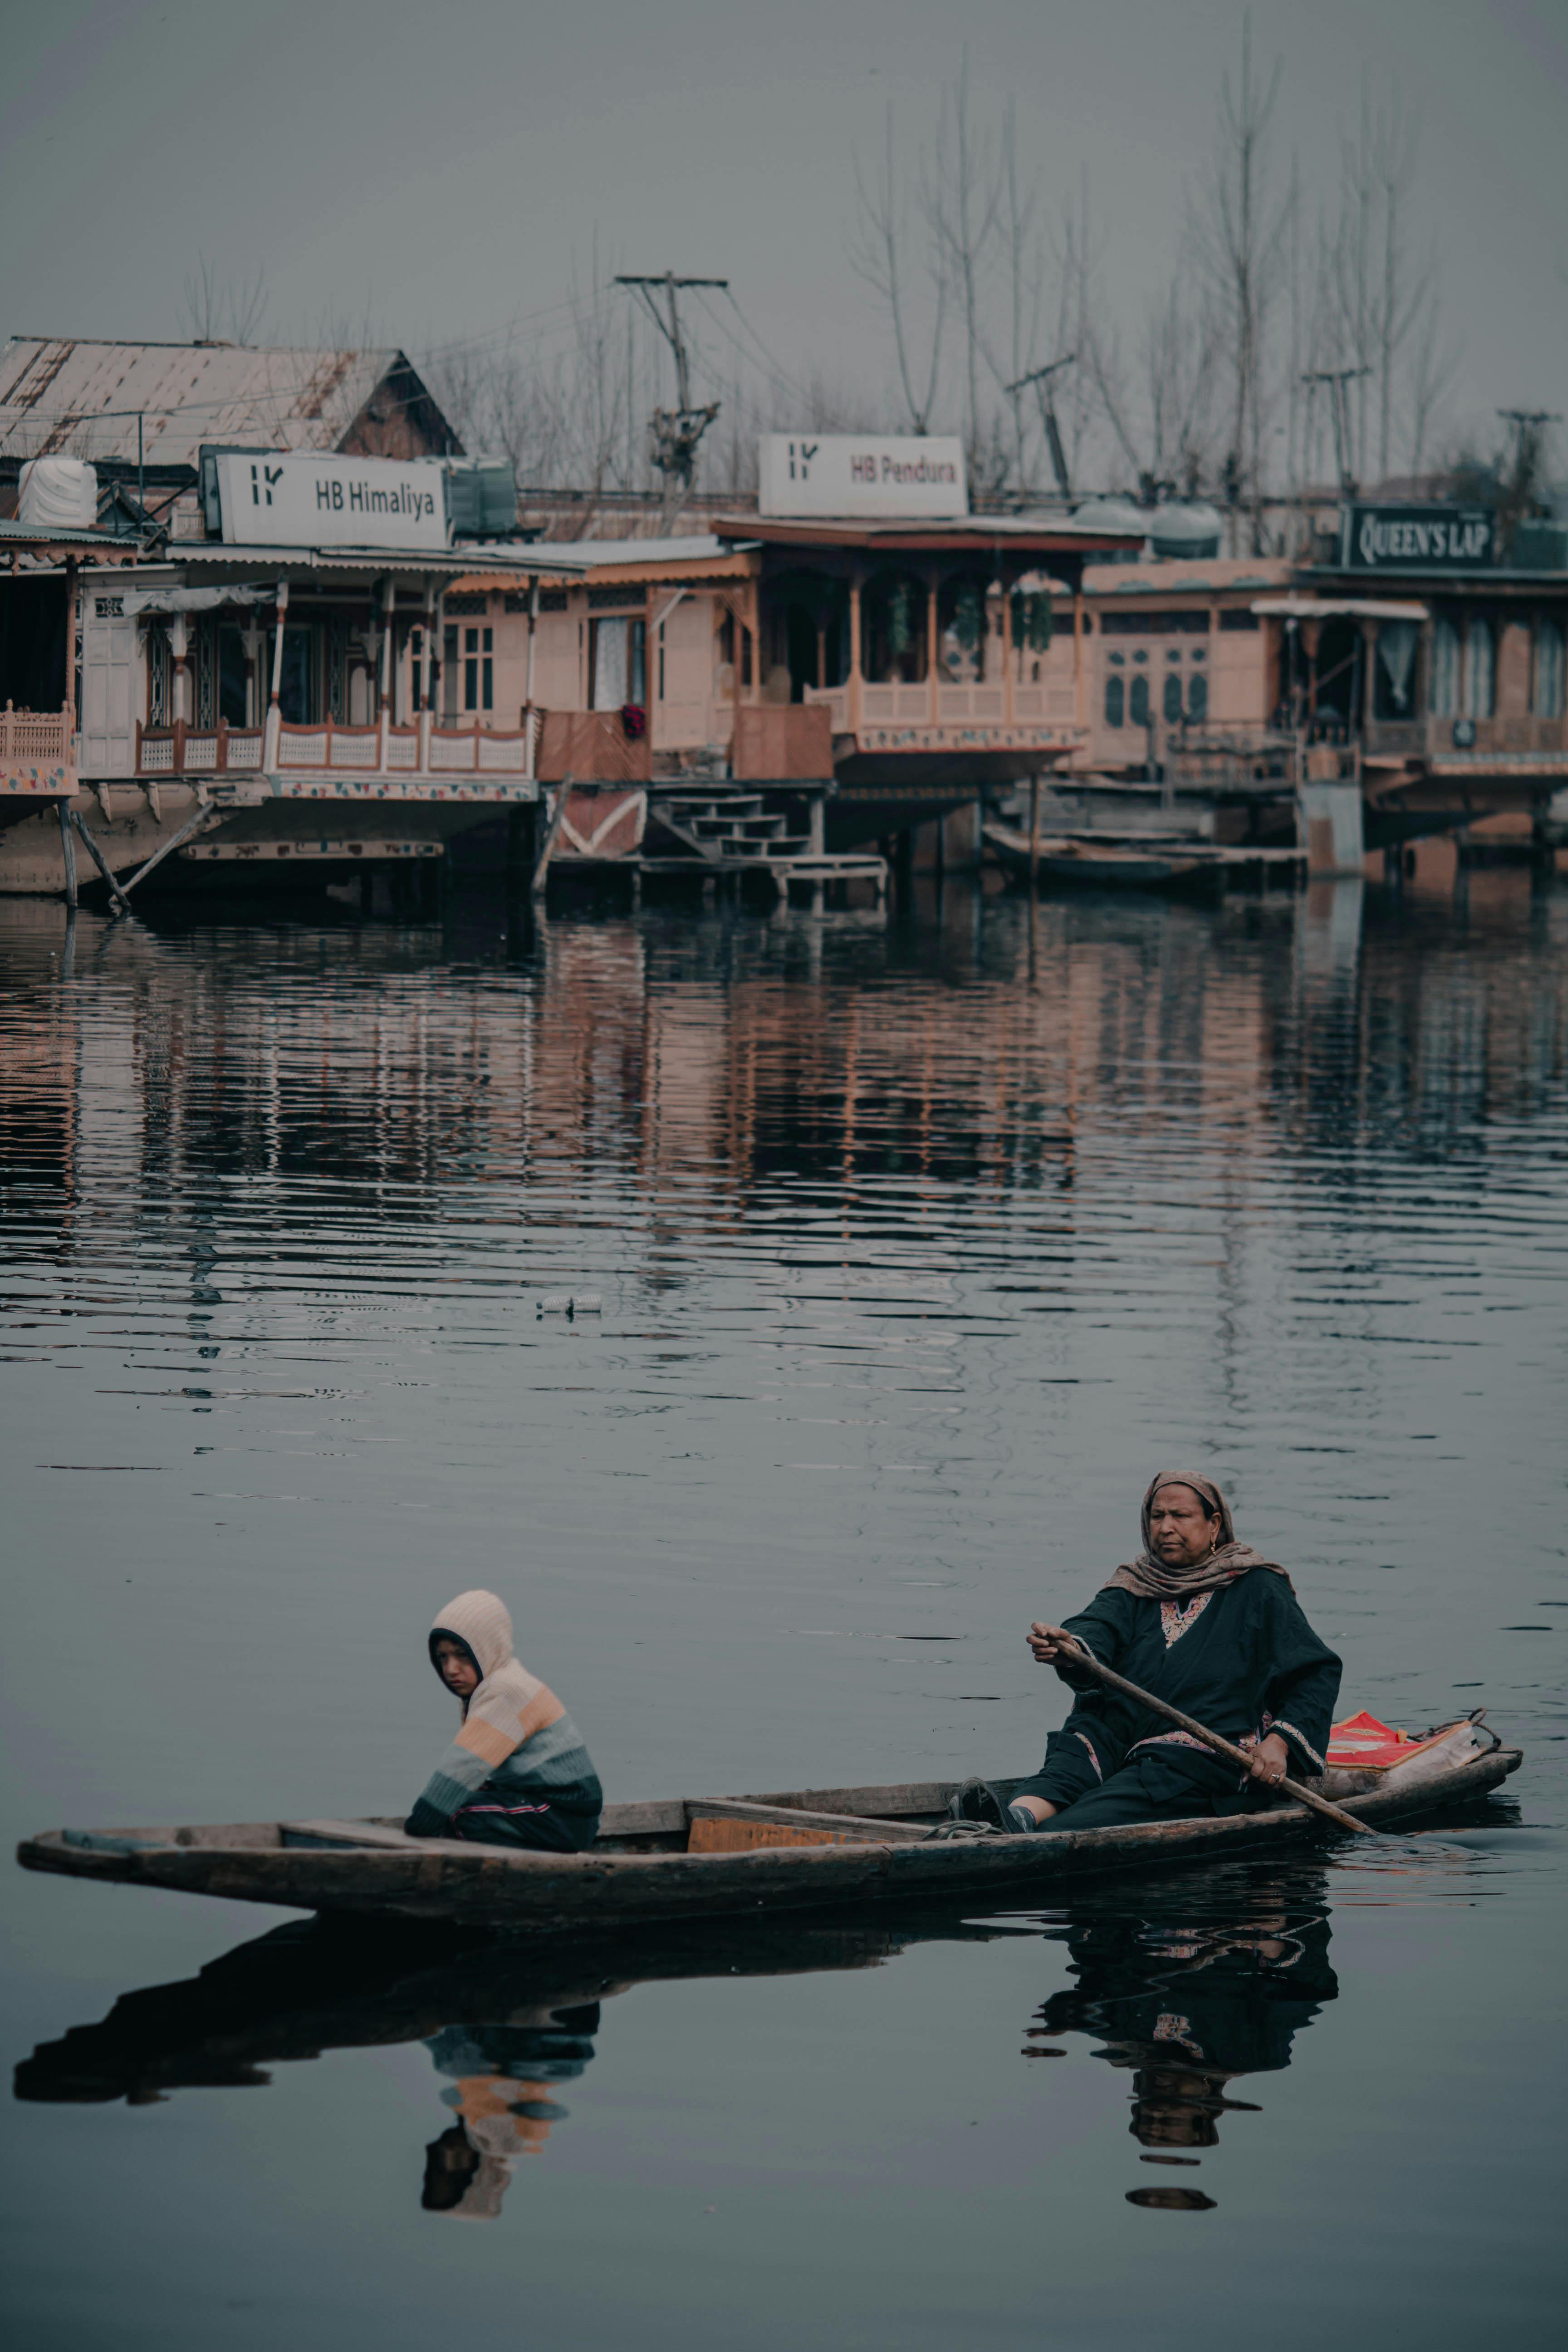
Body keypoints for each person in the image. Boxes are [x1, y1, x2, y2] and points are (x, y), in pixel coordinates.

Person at [959, 1471, 1341, 1834]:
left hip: (1203, 1752)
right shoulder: (1135, 1582)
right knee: (1074, 1757)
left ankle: (1038, 1836)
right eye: (1157, 1516)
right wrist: (1069, 1648)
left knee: (1136, 1788)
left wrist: (1278, 1743)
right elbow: (1097, 1628)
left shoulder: (1257, 1587)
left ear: (1214, 1525)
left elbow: (1315, 1672)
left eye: (1180, 1516)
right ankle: (1018, 1818)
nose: (1166, 1527)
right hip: (1119, 1734)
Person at [405, 1588, 603, 1851]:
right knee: (461, 1805)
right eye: (443, 1657)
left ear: (485, 1651)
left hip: (563, 1812)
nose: (451, 1669)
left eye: (462, 1655)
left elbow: (465, 1764)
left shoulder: (505, 1692)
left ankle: (516, 1873)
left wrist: (419, 1824)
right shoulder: (492, 1687)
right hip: (545, 1804)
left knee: (460, 1816)